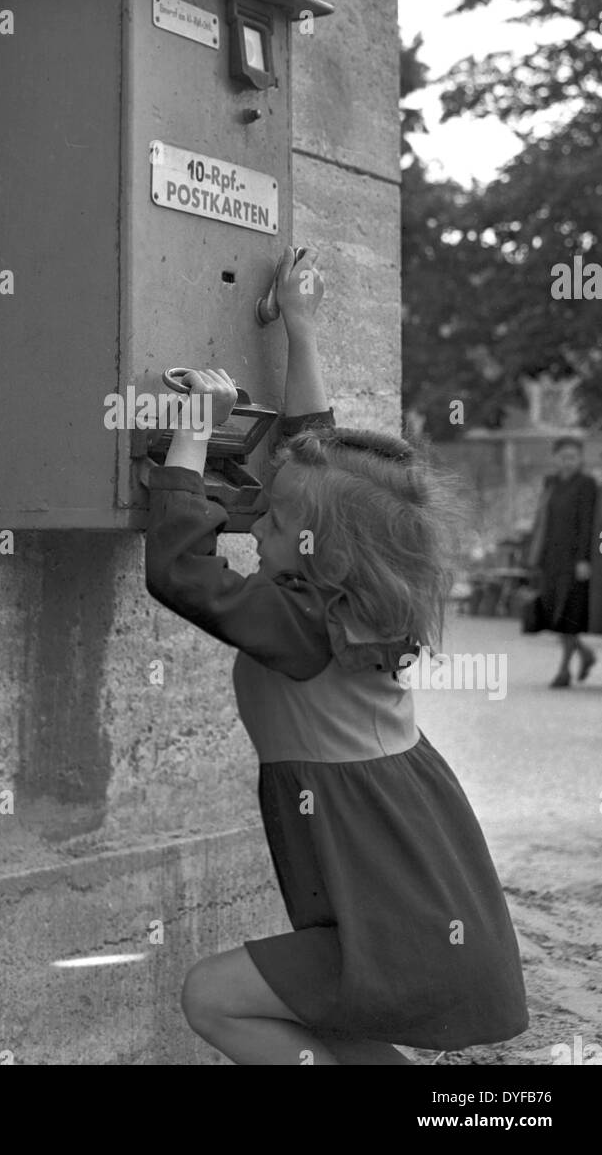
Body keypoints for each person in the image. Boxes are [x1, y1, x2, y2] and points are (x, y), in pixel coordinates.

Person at [140, 246, 529, 1065]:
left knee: (211, 997)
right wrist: (301, 332)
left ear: (323, 553)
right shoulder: (359, 599)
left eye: (274, 526)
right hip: (407, 855)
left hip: (384, 867)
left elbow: (181, 574)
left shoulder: (302, 623)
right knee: (345, 1032)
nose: (259, 528)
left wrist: (188, 445)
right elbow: (315, 462)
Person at [527, 439, 598, 687]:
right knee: (551, 612)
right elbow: (542, 520)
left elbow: (588, 524)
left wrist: (583, 560)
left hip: (574, 560)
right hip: (550, 559)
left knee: (568, 613)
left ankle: (564, 670)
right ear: (555, 458)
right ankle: (584, 653)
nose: (568, 461)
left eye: (573, 457)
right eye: (563, 456)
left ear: (580, 459)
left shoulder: (587, 485)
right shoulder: (551, 483)